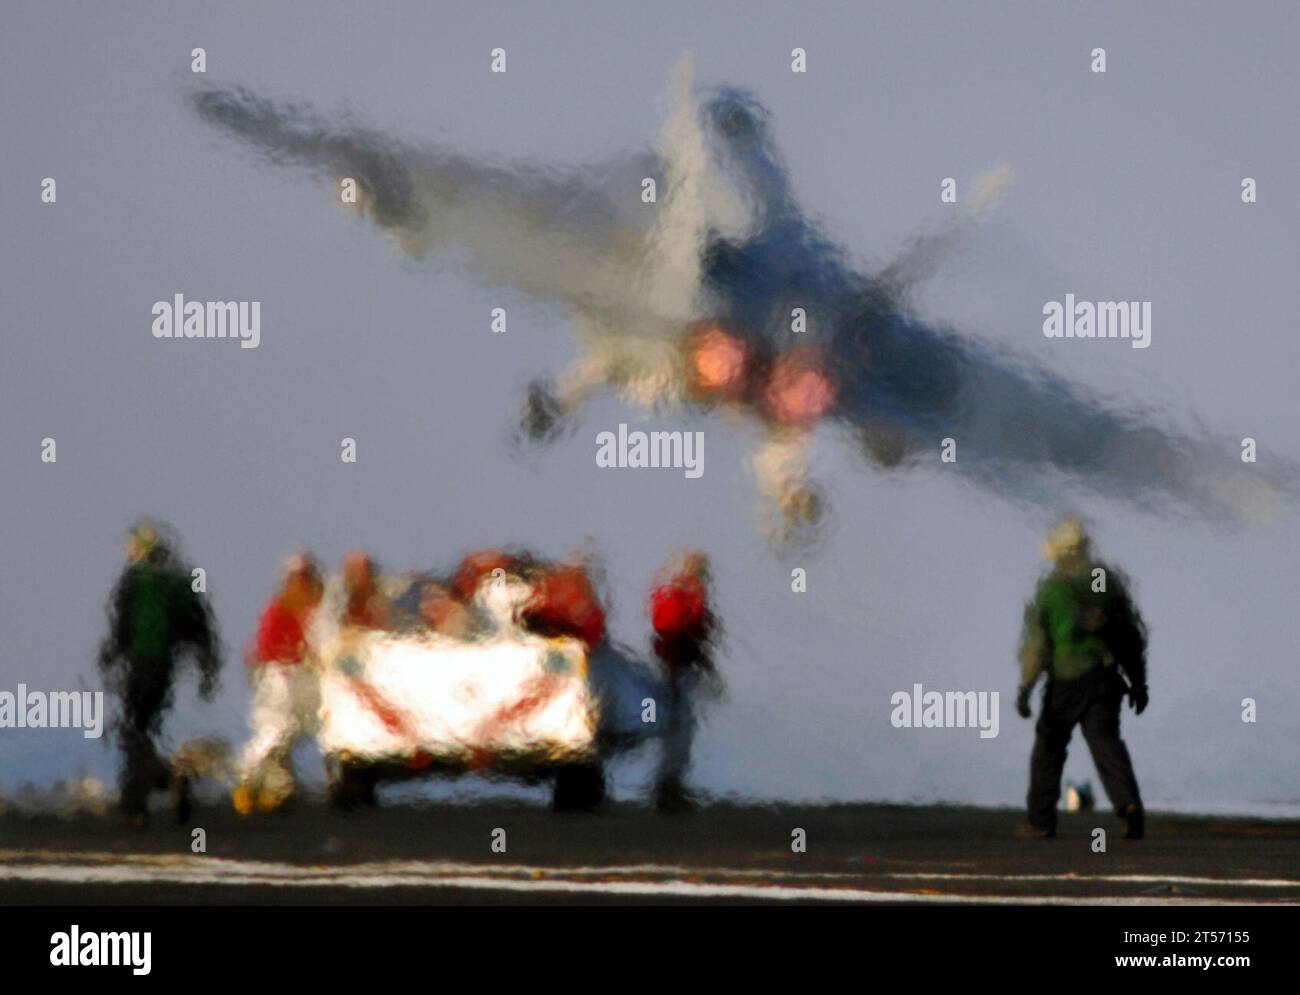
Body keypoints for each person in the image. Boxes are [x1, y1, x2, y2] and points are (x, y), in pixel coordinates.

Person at [1015, 517, 1149, 840]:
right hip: (1104, 678)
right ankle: (1128, 805)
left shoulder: (1052, 590)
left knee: (1049, 747)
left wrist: (1026, 688)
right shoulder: (1103, 580)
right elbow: (1128, 634)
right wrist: (1138, 682)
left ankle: (1041, 821)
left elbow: (1037, 645)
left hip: (1065, 679)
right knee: (1106, 744)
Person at [97, 521, 221, 827]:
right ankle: (161, 783)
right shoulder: (182, 579)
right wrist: (207, 666)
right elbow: (199, 625)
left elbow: (122, 624)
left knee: (133, 730)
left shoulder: (135, 579)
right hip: (166, 667)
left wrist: (110, 656)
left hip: (141, 664)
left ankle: (142, 799)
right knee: (144, 726)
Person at [232, 553, 324, 815]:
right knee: (276, 731)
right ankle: (247, 781)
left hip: (297, 677)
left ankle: (277, 788)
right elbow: (267, 646)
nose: (303, 584)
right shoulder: (280, 609)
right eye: (298, 578)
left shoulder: (309, 609)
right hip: (279, 676)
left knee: (290, 733)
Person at [647, 551, 718, 812]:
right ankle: (668, 790)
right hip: (678, 669)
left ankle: (669, 788)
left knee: (677, 730)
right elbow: (688, 633)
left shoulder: (676, 593)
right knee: (679, 730)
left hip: (674, 667)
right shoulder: (687, 596)